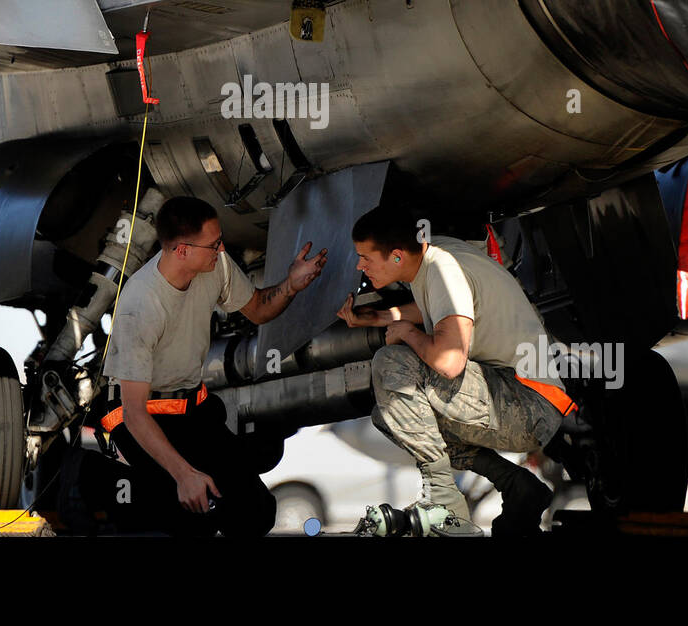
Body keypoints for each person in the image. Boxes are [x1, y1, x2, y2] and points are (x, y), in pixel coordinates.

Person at [337, 206, 577, 536]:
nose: (359, 266)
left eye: (366, 257)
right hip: (522, 399)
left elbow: (450, 362)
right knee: (388, 413)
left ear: (395, 256)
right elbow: (445, 305)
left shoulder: (441, 270)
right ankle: (517, 484)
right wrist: (378, 318)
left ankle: (445, 505)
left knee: (392, 364)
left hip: (530, 402)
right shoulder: (436, 256)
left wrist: (407, 333)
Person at [101, 196, 328, 536]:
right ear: (182, 251)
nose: (222, 249)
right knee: (193, 513)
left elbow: (258, 308)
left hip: (191, 408)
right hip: (139, 415)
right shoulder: (141, 305)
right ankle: (112, 482)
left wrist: (291, 285)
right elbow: (134, 414)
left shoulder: (214, 265)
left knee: (255, 514)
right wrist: (184, 475)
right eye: (213, 244)